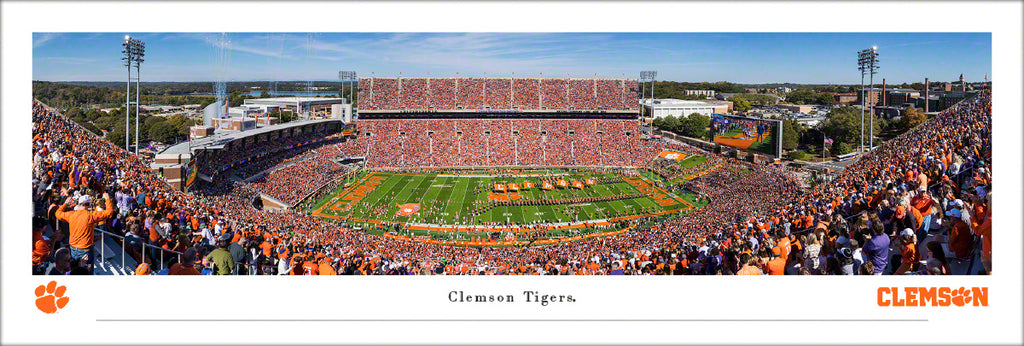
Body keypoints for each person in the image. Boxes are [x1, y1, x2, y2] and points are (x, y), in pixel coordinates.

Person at [55, 192, 115, 274]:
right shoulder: (91, 215)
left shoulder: (71, 215)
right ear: (89, 205)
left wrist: (65, 204)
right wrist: (107, 199)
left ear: (79, 205)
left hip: (73, 248)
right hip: (85, 250)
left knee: (74, 269)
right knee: (86, 272)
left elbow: (57, 213)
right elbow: (109, 212)